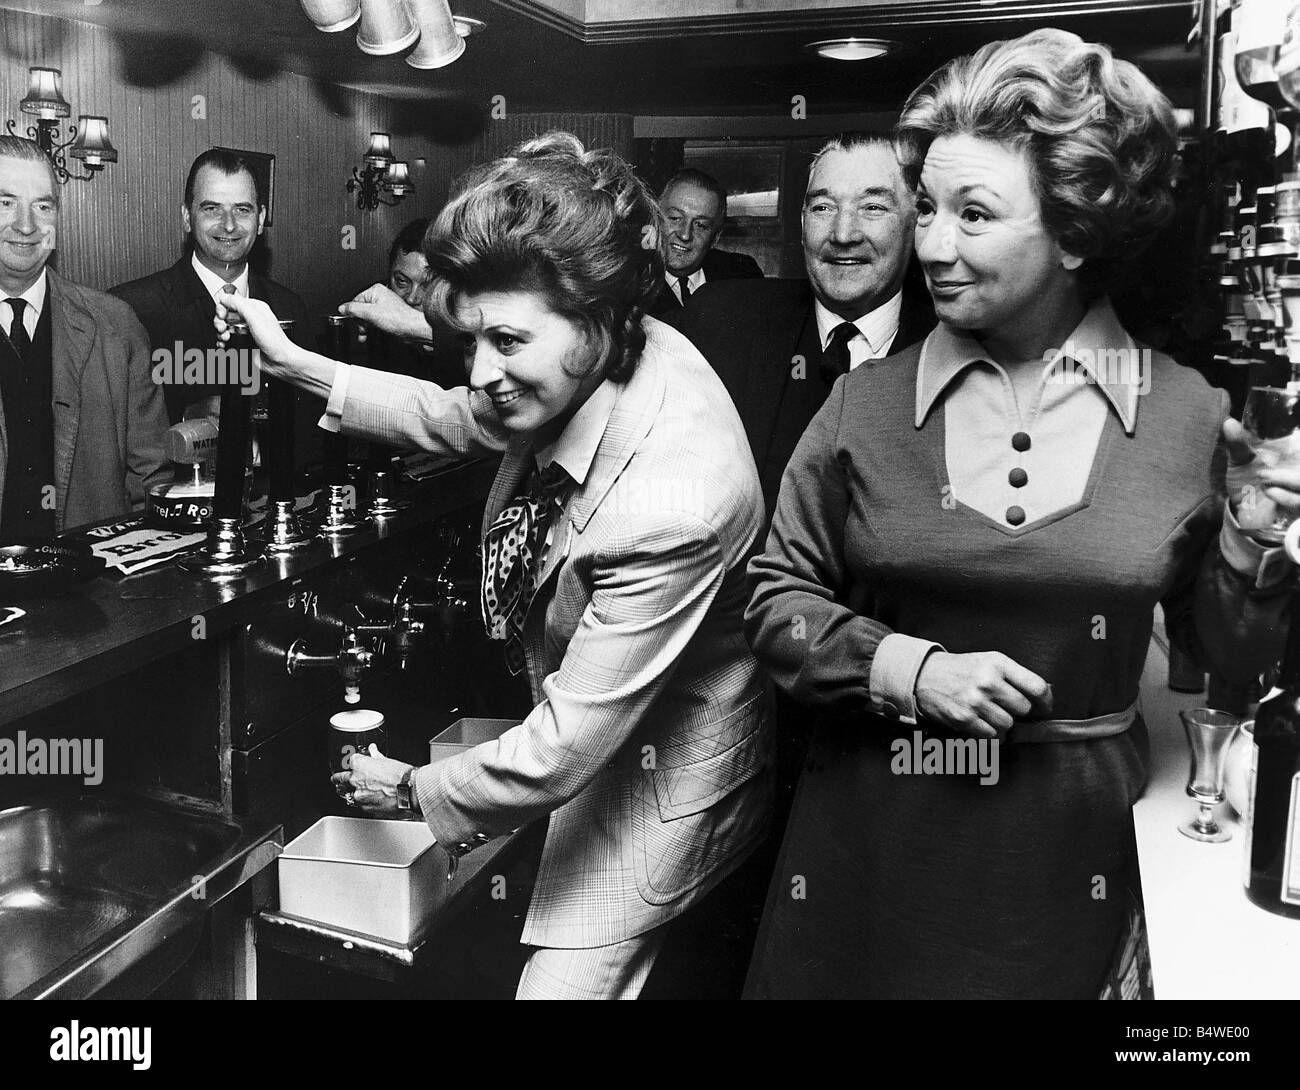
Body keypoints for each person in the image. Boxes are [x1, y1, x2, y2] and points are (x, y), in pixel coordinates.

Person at [741, 29, 1293, 999]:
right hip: (863, 850)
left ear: (1075, 231)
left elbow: (1228, 670)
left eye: (973, 213)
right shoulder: (862, 405)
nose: (931, 246)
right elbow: (773, 601)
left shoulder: (1184, 415)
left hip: (1061, 868)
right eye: (925, 209)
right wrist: (909, 669)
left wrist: (1250, 541)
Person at [217, 132, 773, 1001]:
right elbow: (459, 416)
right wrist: (297, 368)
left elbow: (559, 755)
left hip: (662, 776)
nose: (480, 372)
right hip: (592, 723)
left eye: (506, 340)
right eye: (472, 338)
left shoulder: (675, 501)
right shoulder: (597, 348)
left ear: (597, 321)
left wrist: (410, 787)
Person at [678, 134, 934, 515]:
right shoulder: (719, 321)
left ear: (915, 222)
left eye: (873, 207)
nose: (843, 234)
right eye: (823, 208)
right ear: (801, 224)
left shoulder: (959, 345)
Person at [0, 136, 168, 536]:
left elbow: (153, 475)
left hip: (90, 582)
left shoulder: (115, 325)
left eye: (43, 206)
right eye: (5, 203)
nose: (26, 225)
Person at [111, 148, 309, 424]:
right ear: (186, 217)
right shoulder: (132, 310)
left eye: (242, 210)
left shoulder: (289, 308)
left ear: (261, 219)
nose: (229, 225)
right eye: (212, 208)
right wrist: (187, 416)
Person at [647, 168, 762, 320]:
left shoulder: (742, 275)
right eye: (675, 218)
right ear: (655, 220)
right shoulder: (633, 281)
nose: (685, 234)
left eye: (700, 225)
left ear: (715, 237)